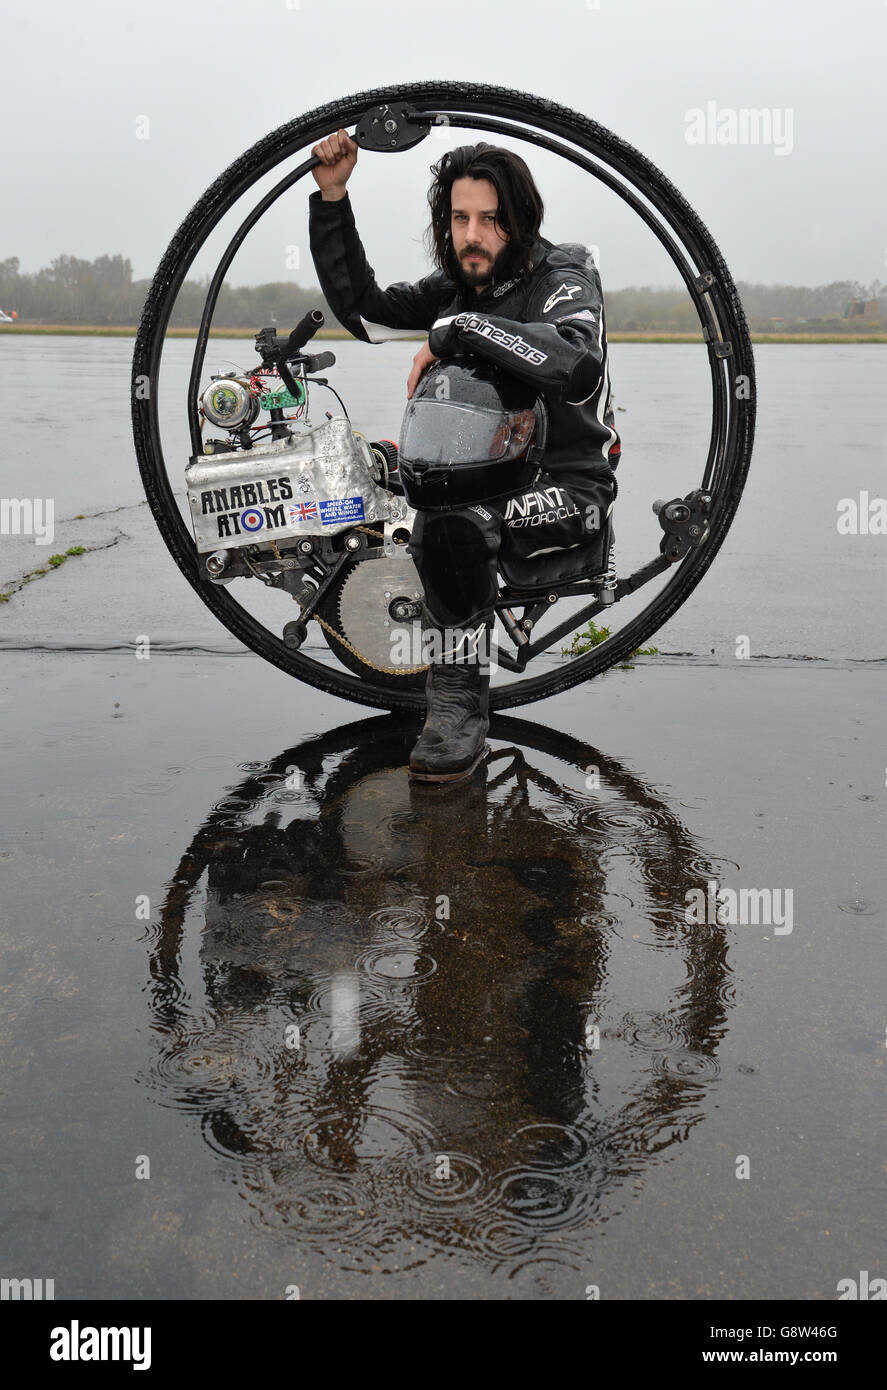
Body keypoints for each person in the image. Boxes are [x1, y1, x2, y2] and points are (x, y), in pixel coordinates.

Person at [309, 129, 621, 781]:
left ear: (519, 221)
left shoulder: (563, 276)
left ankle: (457, 707)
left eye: (489, 219)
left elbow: (574, 356)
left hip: (565, 488)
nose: (471, 234)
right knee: (362, 471)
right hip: (472, 475)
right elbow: (365, 313)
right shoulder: (459, 286)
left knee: (454, 526)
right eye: (458, 219)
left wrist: (456, 333)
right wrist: (332, 196)